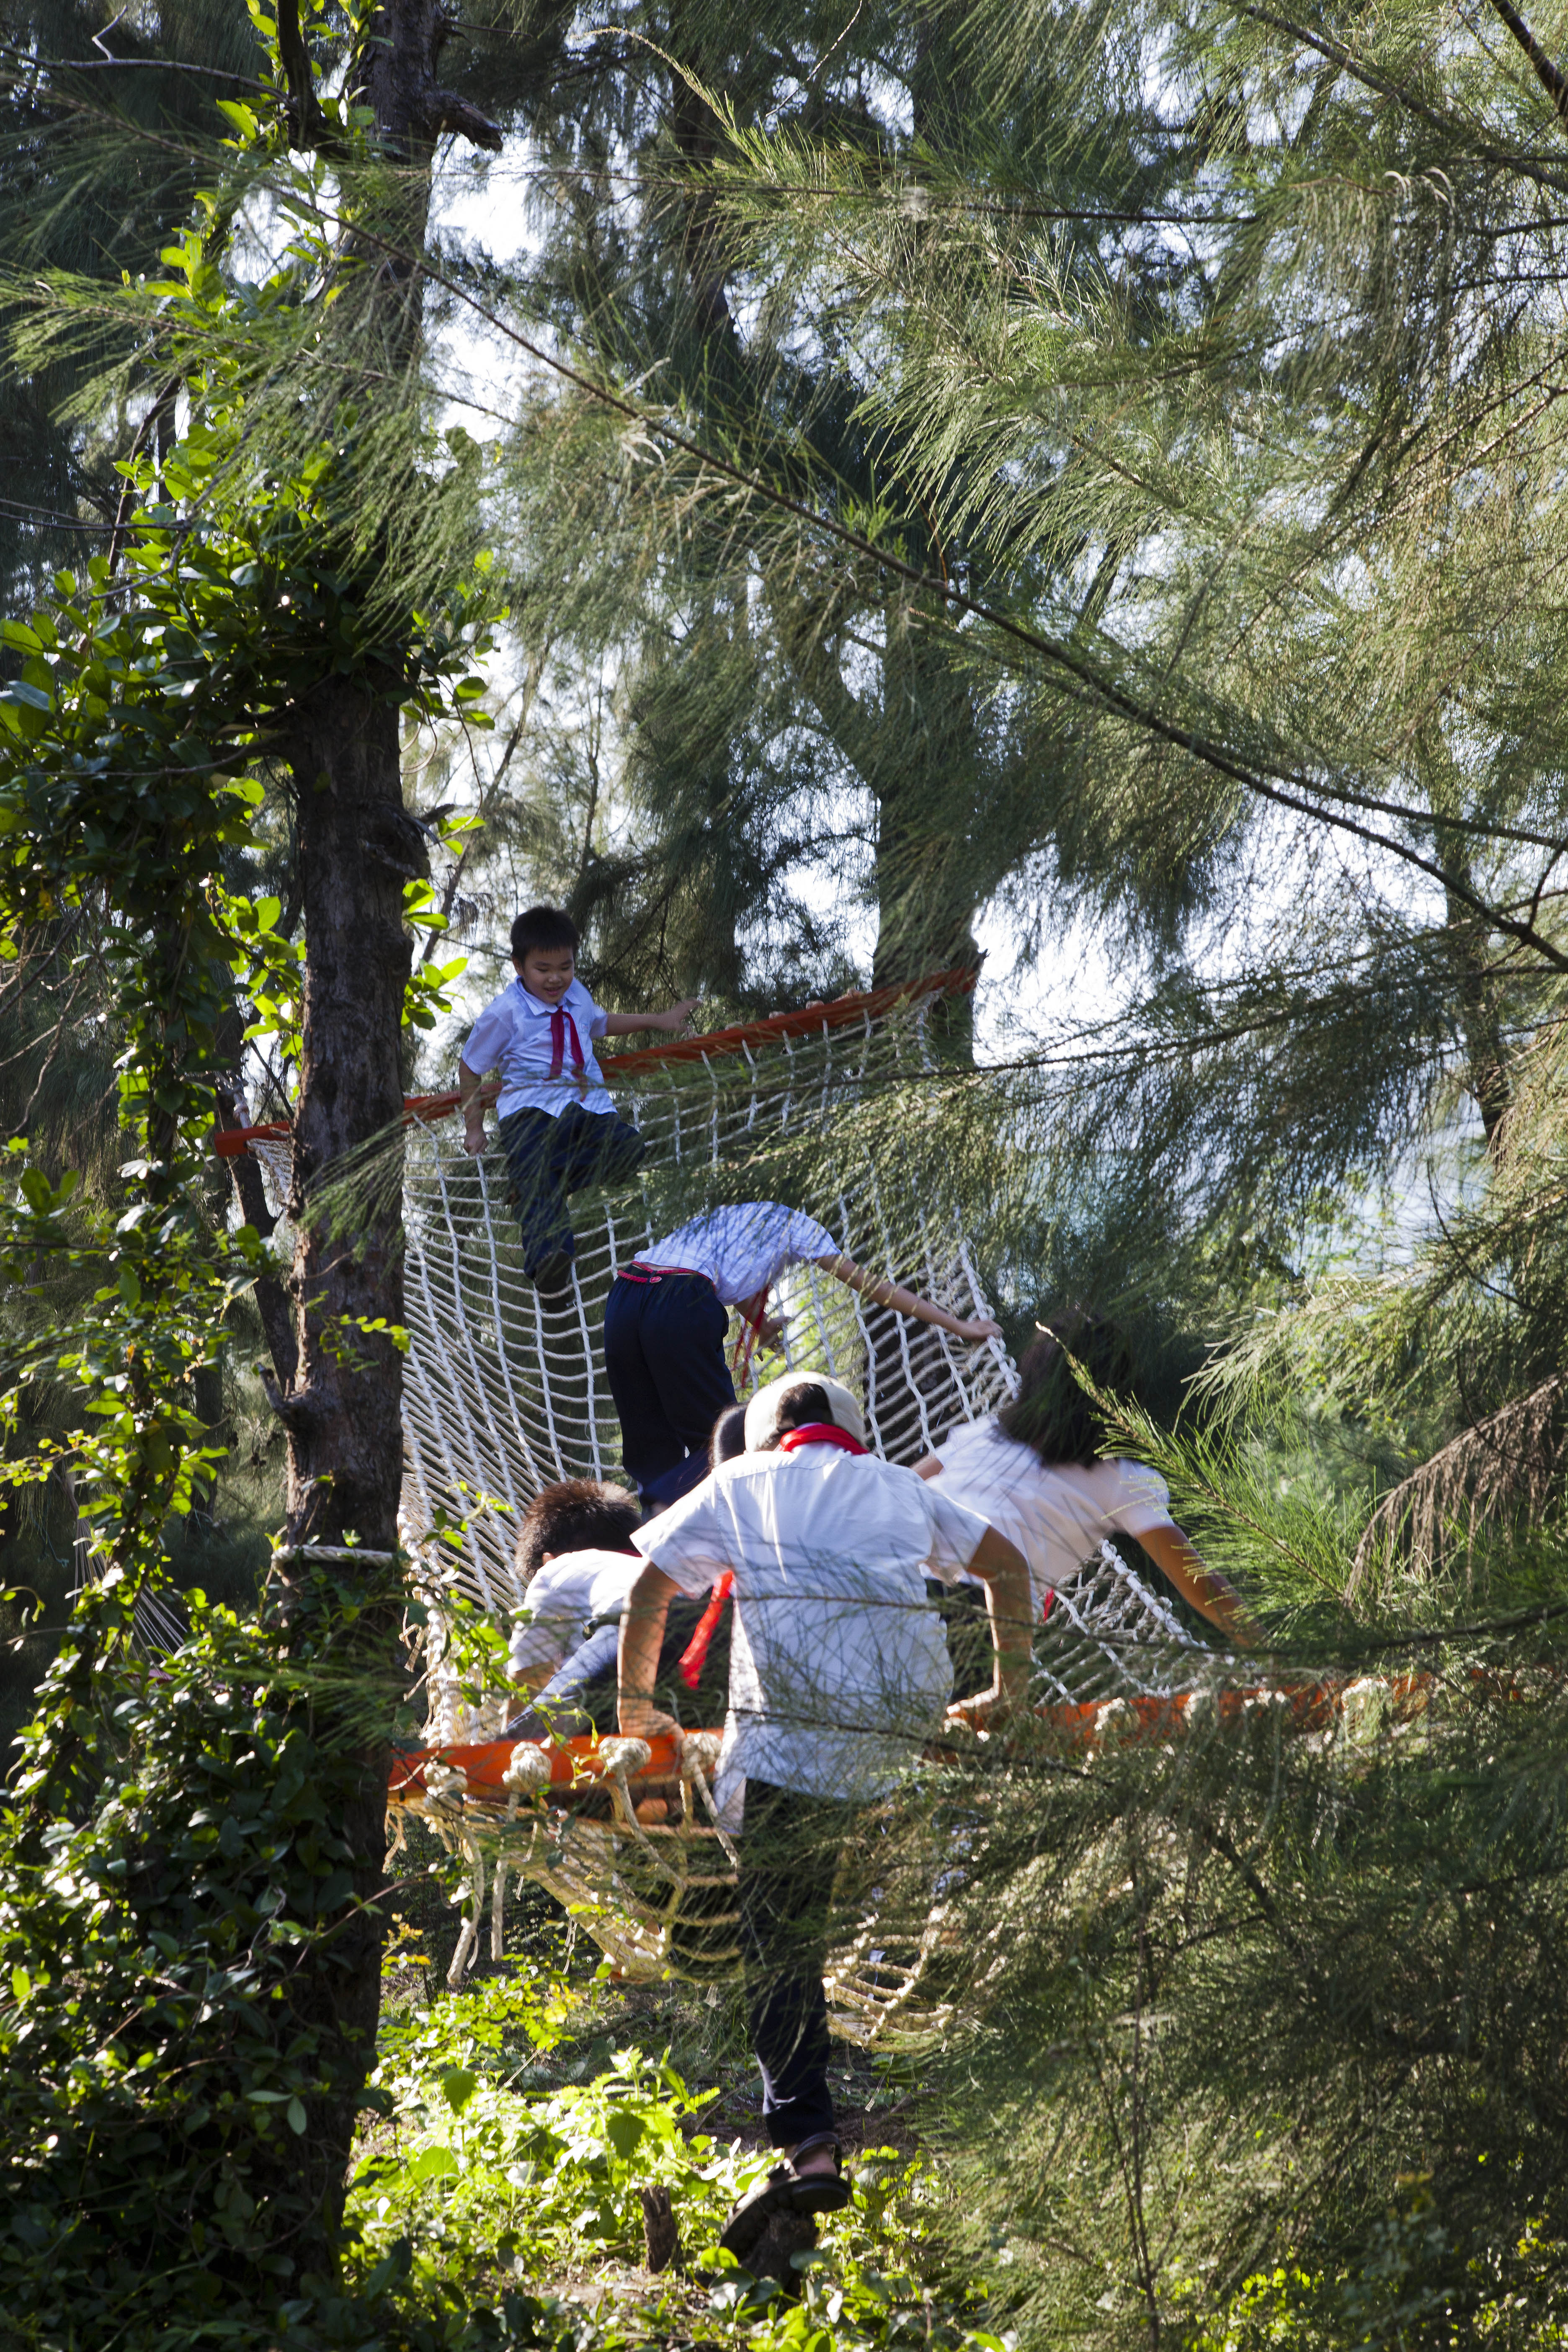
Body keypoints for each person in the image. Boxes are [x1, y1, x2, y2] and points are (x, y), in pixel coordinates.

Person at [616, 1373, 1031, 2256]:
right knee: (821, 1912)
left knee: (779, 1952)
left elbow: (652, 1587)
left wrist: (635, 1712)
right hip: (894, 1736)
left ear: (769, 1438)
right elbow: (1007, 1567)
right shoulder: (901, 1487)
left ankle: (808, 2148)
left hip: (791, 1748)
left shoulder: (741, 1483)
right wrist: (1009, 1691)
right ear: (854, 1435)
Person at [913, 1308, 1257, 1681]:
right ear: (1116, 1403)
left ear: (1034, 1379)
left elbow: (903, 1484)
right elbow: (1199, 1582)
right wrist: (1266, 1648)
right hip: (975, 1614)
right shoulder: (1122, 1479)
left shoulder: (986, 1433)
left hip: (889, 1573)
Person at [603, 1199, 1004, 1507]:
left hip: (625, 1294)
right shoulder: (801, 1226)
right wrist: (959, 1326)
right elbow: (873, 1287)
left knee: (649, 1445)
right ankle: (714, 1539)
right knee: (723, 1444)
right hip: (678, 1305)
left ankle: (648, 1527)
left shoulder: (742, 1214)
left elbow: (726, 1273)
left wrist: (761, 1325)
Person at [458, 905, 701, 1291]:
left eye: (565, 966)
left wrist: (660, 1020)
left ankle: (533, 1184)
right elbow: (471, 1067)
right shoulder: (507, 1013)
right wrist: (474, 1126)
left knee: (630, 1152)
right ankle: (549, 1267)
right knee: (541, 1195)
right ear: (519, 966)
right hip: (530, 1114)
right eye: (543, 969)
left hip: (589, 1110)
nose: (556, 978)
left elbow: (601, 1023)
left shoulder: (578, 996)